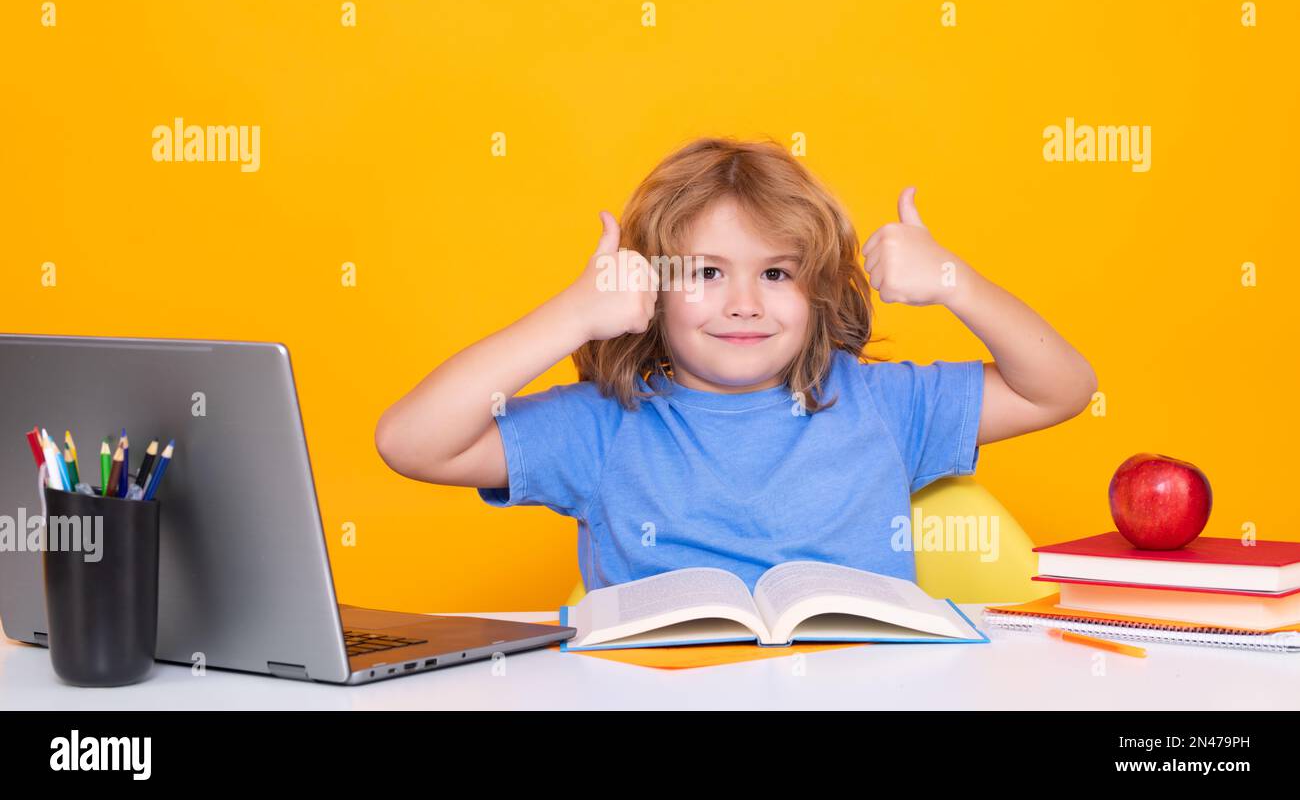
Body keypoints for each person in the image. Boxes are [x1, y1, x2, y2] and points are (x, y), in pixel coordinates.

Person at [375, 137, 1097, 592]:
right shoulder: (599, 427)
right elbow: (410, 442)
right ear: (650, 289)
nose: (745, 304)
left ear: (818, 290)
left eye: (777, 274)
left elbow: (1063, 389)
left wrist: (955, 284)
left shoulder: (884, 404)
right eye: (707, 274)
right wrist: (570, 317)